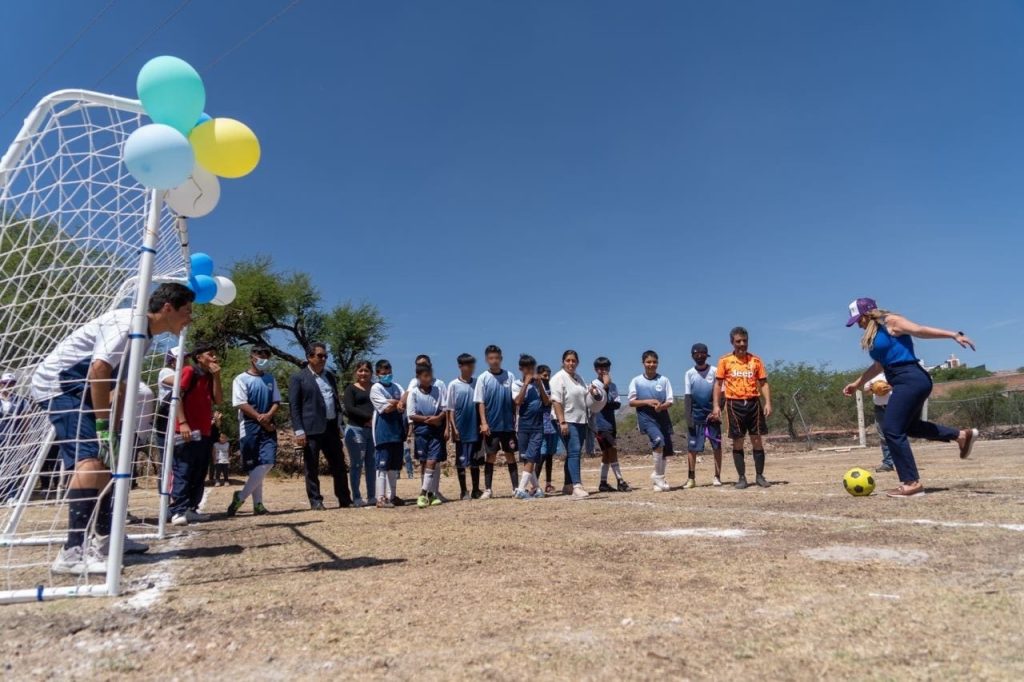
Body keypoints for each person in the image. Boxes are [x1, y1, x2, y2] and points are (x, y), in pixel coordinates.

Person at [31, 282, 194, 574]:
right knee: (90, 461)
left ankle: (107, 539)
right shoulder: (126, 323)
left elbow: (120, 385)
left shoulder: (144, 338)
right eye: (187, 311)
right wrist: (104, 424)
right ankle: (72, 552)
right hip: (61, 387)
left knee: (108, 460)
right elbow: (99, 369)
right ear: (167, 308)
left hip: (87, 392)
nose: (190, 318)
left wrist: (114, 431)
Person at [842, 298, 978, 498]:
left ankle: (911, 483)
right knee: (909, 427)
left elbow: (919, 330)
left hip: (911, 378)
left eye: (858, 319)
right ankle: (961, 436)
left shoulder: (891, 321)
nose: (858, 324)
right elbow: (879, 366)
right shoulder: (875, 334)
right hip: (902, 380)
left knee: (891, 428)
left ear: (867, 313)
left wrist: (953, 335)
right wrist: (857, 384)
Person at [289, 342, 352, 510]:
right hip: (311, 429)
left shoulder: (330, 376)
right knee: (312, 467)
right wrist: (299, 430)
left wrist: (340, 424)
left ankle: (345, 499)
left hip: (331, 427)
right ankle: (316, 500)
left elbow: (335, 401)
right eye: (319, 356)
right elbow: (294, 406)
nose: (323, 359)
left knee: (339, 464)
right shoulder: (299, 378)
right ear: (309, 357)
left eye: (325, 356)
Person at [711, 327, 772, 490]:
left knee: (757, 439)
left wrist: (768, 402)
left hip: (753, 402)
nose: (742, 344)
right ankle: (742, 478)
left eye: (744, 341)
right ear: (732, 342)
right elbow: (718, 384)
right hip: (734, 404)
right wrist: (716, 405)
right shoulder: (724, 361)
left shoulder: (756, 361)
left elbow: (763, 383)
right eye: (738, 341)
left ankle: (759, 476)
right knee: (738, 441)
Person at [169, 343, 222, 526]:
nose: (214, 357)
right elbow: (177, 396)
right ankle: (178, 510)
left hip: (204, 431)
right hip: (185, 431)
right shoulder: (189, 371)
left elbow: (219, 399)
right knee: (183, 469)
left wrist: (217, 376)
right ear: (199, 357)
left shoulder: (209, 377)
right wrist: (182, 423)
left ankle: (192, 508)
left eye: (215, 354)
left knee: (199, 471)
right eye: (210, 353)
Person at [227, 346, 281, 517]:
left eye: (266, 356)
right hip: (249, 426)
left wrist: (268, 416)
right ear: (252, 357)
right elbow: (241, 403)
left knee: (268, 462)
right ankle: (258, 504)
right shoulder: (241, 379)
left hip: (268, 425)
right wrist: (260, 418)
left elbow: (277, 401)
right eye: (260, 356)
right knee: (254, 467)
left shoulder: (270, 379)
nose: (263, 359)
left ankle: (241, 496)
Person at [550, 349, 605, 499]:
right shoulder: (558, 378)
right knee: (574, 451)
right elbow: (556, 401)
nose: (571, 363)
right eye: (568, 360)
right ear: (563, 362)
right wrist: (562, 422)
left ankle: (568, 485)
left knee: (573, 451)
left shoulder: (579, 378)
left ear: (577, 362)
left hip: (580, 419)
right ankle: (577, 486)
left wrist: (592, 392)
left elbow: (585, 394)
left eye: (573, 361)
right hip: (566, 420)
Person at [474, 345, 520, 499]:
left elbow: (515, 400)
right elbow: (480, 402)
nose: (494, 361)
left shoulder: (510, 376)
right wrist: (484, 423)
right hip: (492, 426)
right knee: (491, 457)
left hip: (508, 426)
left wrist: (516, 420)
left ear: (501, 358)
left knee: (510, 456)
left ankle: (515, 488)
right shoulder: (483, 378)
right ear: (487, 359)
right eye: (491, 358)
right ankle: (488, 489)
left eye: (497, 358)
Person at [628, 350, 675, 492]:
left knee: (665, 449)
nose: (651, 365)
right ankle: (659, 478)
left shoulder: (664, 380)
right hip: (646, 418)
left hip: (662, 418)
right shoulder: (636, 381)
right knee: (658, 441)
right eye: (648, 362)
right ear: (643, 363)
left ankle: (658, 478)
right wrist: (648, 402)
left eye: (654, 362)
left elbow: (670, 400)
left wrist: (662, 406)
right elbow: (631, 402)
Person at [406, 364, 447, 508]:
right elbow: (411, 414)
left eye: (430, 375)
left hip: (436, 429)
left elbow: (444, 408)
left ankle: (423, 493)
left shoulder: (438, 390)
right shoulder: (414, 393)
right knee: (424, 462)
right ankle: (430, 494)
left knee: (433, 461)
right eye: (425, 376)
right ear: (418, 377)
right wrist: (427, 419)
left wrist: (438, 418)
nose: (428, 379)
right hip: (422, 430)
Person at [683, 343, 723, 488]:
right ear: (692, 356)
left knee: (716, 446)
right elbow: (688, 398)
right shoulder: (689, 374)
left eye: (702, 353)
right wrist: (689, 419)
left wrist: (717, 411)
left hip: (713, 417)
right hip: (696, 417)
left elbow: (721, 393)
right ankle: (691, 478)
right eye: (696, 353)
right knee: (692, 448)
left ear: (707, 355)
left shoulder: (715, 371)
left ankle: (717, 476)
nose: (699, 356)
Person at [512, 354, 550, 499]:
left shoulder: (538, 385)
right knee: (527, 459)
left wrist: (540, 384)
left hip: (537, 426)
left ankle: (521, 489)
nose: (530, 370)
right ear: (521, 369)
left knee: (532, 457)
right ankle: (536, 488)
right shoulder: (516, 384)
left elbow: (547, 402)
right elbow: (517, 402)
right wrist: (526, 384)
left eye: (532, 368)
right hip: (522, 426)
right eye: (526, 368)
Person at [592, 357, 631, 492]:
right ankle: (620, 480)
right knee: (612, 449)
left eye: (606, 368)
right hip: (600, 424)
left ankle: (603, 482)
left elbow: (616, 403)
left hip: (611, 423)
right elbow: (597, 403)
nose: (603, 371)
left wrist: (608, 390)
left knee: (607, 453)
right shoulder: (594, 385)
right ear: (595, 370)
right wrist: (605, 387)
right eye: (600, 368)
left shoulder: (613, 385)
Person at [446, 353, 482, 500]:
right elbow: (450, 409)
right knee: (461, 461)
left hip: (476, 428)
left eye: (472, 365)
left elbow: (481, 404)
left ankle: (475, 489)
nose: (470, 368)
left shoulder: (478, 383)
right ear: (460, 366)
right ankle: (463, 491)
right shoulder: (453, 385)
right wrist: (453, 428)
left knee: (475, 461)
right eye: (467, 365)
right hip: (461, 429)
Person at [369, 359, 405, 508]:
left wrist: (394, 401)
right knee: (382, 466)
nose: (387, 375)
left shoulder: (397, 386)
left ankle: (392, 496)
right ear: (377, 374)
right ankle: (381, 497)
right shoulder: (376, 388)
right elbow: (385, 408)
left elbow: (406, 399)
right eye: (383, 373)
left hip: (397, 431)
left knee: (394, 466)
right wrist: (397, 402)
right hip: (383, 431)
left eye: (389, 372)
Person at [343, 360, 375, 506]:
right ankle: (356, 497)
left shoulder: (376, 388)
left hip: (373, 431)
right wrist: (369, 418)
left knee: (371, 464)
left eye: (366, 371)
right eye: (360, 370)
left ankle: (372, 496)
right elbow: (349, 408)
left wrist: (375, 421)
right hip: (356, 430)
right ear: (356, 372)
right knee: (356, 464)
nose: (363, 373)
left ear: (371, 373)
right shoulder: (350, 389)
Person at [0, 371, 31, 502]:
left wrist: (25, 437)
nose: (8, 385)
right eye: (5, 383)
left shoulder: (21, 401)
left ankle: (11, 494)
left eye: (11, 383)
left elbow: (26, 420)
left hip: (14, 438)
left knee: (13, 466)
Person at [863, 372, 894, 473]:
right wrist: (872, 389)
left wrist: (890, 387)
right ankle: (888, 463)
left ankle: (902, 462)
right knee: (883, 437)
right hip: (879, 409)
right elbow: (866, 391)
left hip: (895, 406)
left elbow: (904, 386)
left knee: (897, 435)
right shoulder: (872, 374)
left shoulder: (894, 372)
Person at [536, 364, 558, 495]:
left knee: (550, 454)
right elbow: (546, 401)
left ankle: (548, 483)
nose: (547, 377)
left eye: (548, 374)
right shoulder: (537, 387)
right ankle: (535, 484)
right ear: (539, 375)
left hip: (553, 424)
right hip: (542, 424)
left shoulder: (552, 386)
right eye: (544, 375)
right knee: (542, 455)